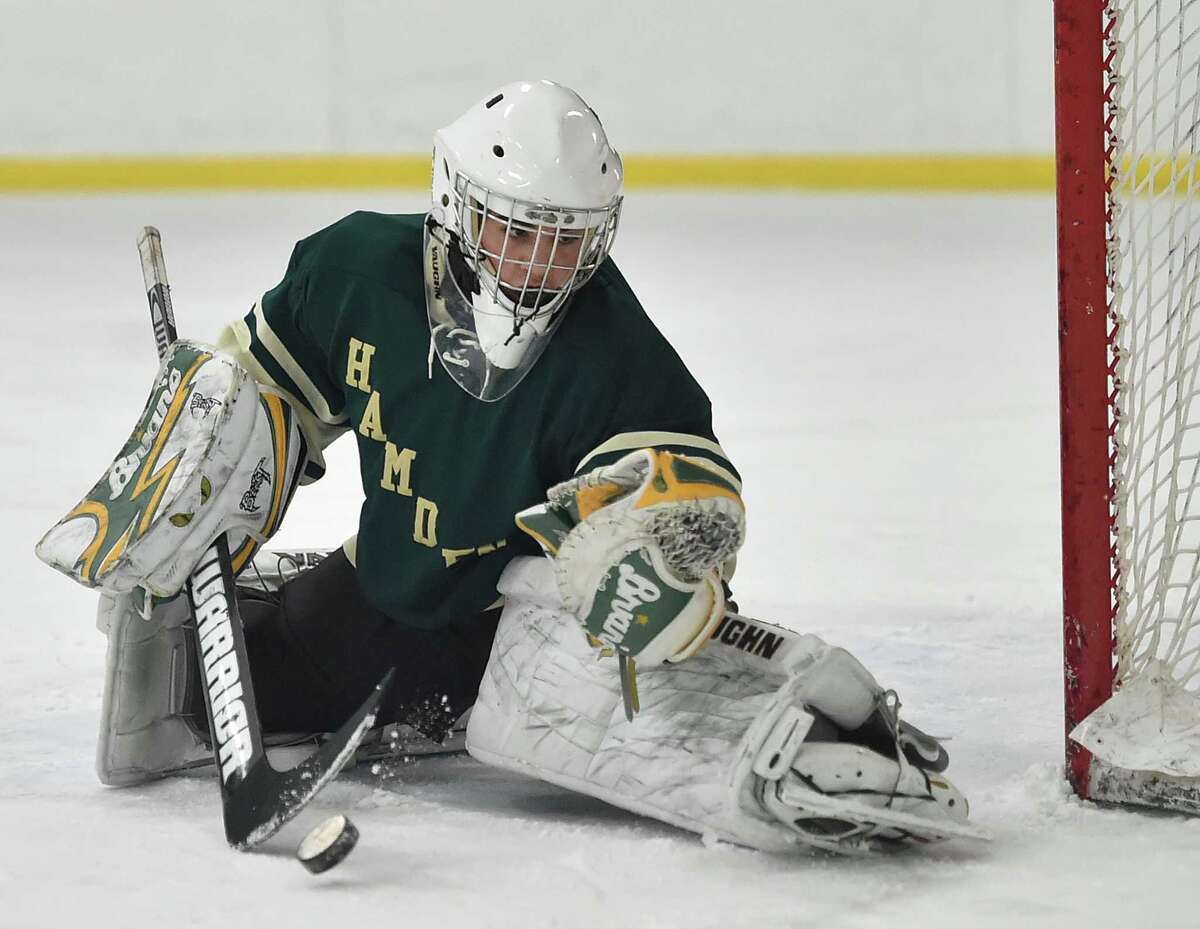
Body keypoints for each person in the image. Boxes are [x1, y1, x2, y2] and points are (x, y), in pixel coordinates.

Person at [36, 80, 979, 854]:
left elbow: (685, 491)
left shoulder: (616, 354)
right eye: (515, 230)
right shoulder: (353, 270)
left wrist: (658, 556)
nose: (537, 265)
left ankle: (780, 715)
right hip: (381, 593)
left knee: (605, 707)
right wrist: (218, 436)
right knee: (191, 688)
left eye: (566, 239)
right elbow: (265, 387)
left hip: (520, 640)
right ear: (453, 205)